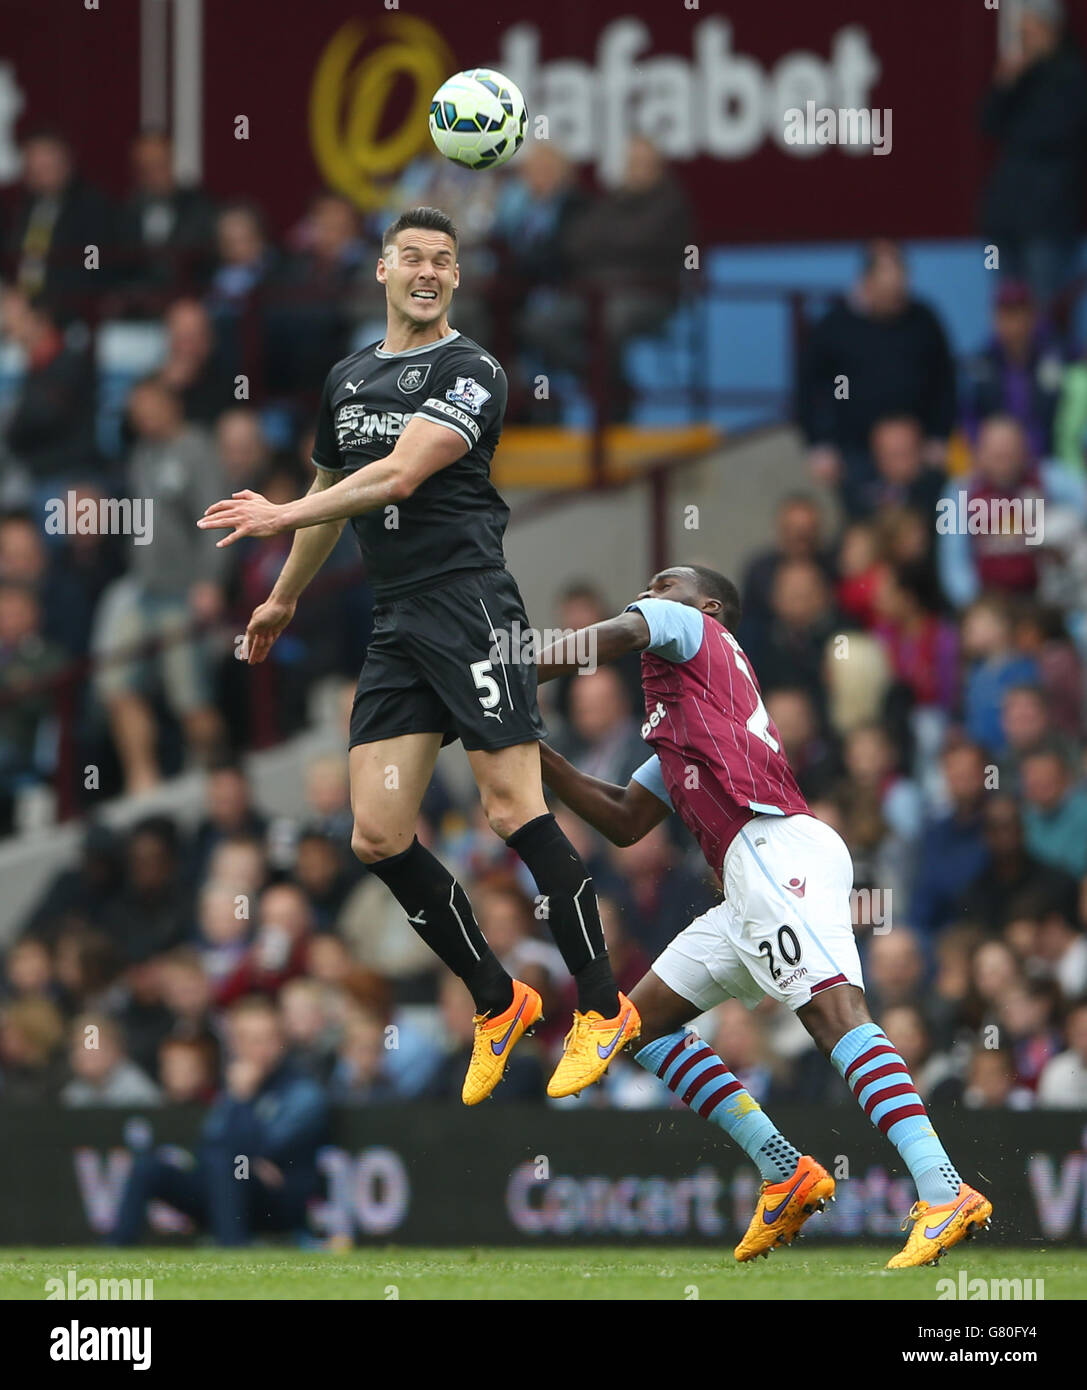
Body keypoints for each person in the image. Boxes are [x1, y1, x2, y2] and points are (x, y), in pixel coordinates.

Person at [197, 206, 635, 1104]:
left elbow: (397, 476)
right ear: (383, 271)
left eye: (444, 259)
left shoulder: (471, 369)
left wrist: (277, 515)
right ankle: (496, 998)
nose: (429, 271)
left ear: (456, 279)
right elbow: (335, 487)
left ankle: (600, 1005)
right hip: (397, 620)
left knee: (512, 808)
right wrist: (282, 593)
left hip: (469, 602)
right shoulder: (349, 377)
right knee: (376, 833)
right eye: (414, 258)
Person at [534, 564, 991, 1268]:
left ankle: (943, 1188)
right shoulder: (688, 717)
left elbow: (618, 633)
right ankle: (784, 1170)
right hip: (748, 881)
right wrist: (524, 749)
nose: (649, 590)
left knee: (832, 1014)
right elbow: (625, 821)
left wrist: (508, 676)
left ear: (707, 605)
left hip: (774, 848)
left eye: (665, 581)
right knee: (641, 1025)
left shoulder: (694, 628)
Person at [108, 997, 328, 1246]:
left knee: (228, 1161)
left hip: (277, 1202)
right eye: (249, 1040)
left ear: (281, 1041)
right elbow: (207, 1146)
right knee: (149, 1166)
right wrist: (248, 1156)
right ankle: (116, 1247)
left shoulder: (303, 1093)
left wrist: (244, 1102)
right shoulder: (233, 1089)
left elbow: (269, 1147)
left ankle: (232, 1251)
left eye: (267, 1039)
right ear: (235, 1043)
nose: (259, 1048)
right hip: (225, 1189)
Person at [979, 0, 1087, 306]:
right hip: (1004, 217)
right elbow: (988, 124)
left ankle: (1049, 356)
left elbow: (1052, 134)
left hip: (1048, 221)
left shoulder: (1072, 76)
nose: (1025, 39)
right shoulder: (1018, 77)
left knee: (1044, 310)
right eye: (1021, 33)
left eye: (1031, 31)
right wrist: (1005, 85)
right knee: (1007, 304)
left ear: (1051, 30)